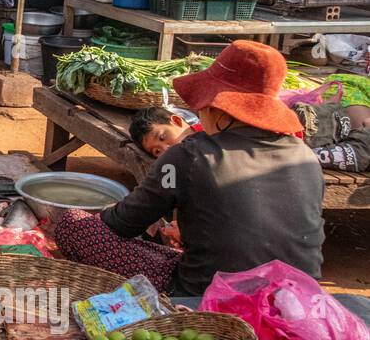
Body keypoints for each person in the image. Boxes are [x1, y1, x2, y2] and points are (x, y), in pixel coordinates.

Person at [53, 41, 325, 295]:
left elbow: (122, 223)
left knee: (74, 225)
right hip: (298, 298)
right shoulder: (306, 157)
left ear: (219, 109)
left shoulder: (191, 154)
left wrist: (104, 213)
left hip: (208, 293)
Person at [132, 96, 370, 172]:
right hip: (315, 140)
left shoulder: (204, 128)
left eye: (163, 138)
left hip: (322, 124)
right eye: (157, 151)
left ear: (176, 120)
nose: (165, 149)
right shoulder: (192, 151)